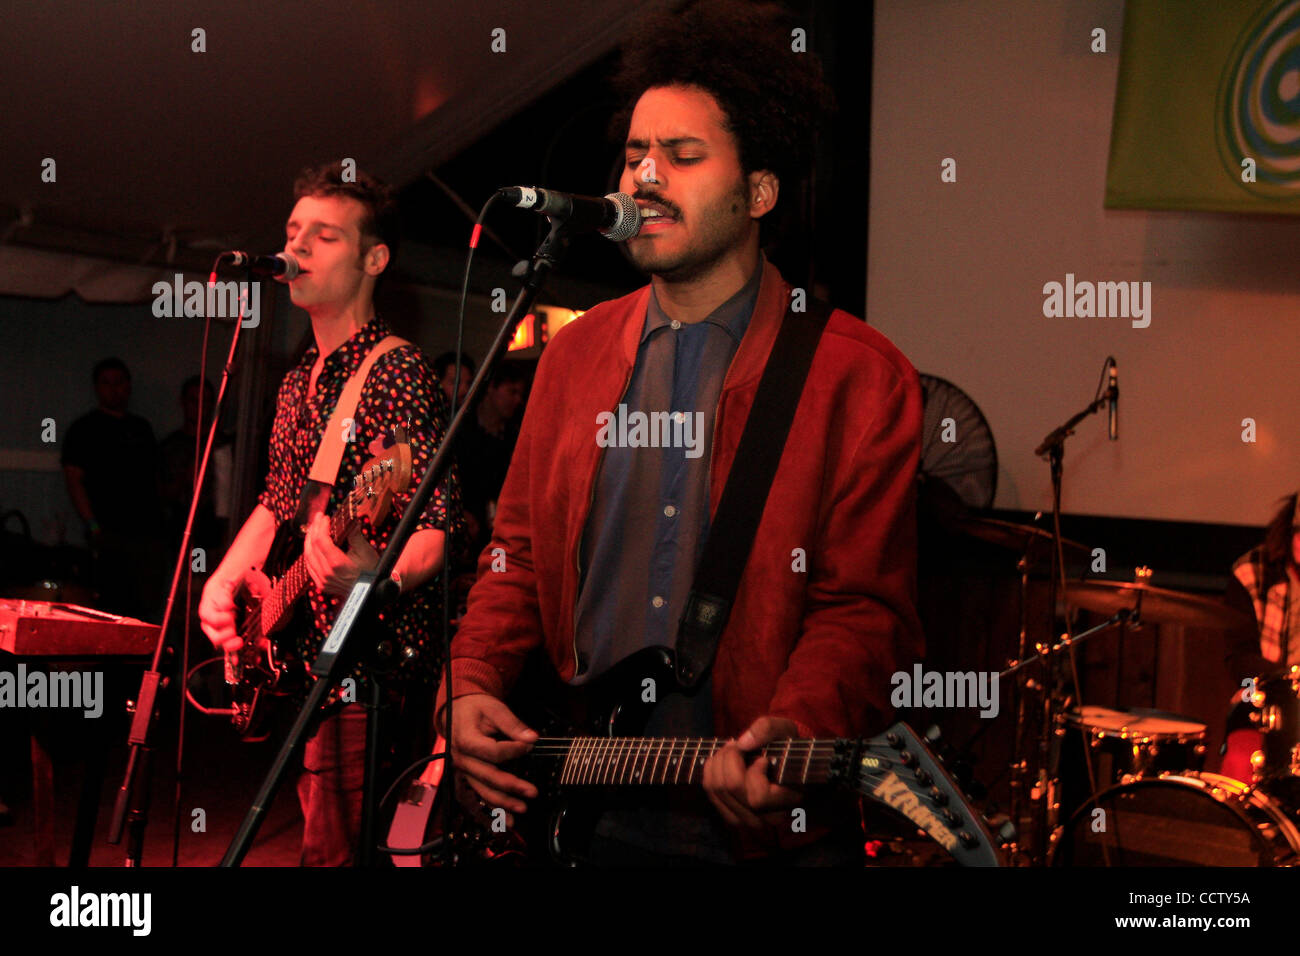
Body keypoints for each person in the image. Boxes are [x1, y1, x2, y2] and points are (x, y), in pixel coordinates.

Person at [439, 0, 923, 865]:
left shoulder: (855, 374)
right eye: (634, 155)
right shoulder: (573, 356)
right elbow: (516, 553)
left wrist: (797, 729)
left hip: (757, 830)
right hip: (577, 808)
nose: (643, 178)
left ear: (760, 192)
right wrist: (468, 685)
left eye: (683, 155)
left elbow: (861, 607)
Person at [198, 161, 460, 865]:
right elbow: (280, 504)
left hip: (372, 662)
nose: (297, 249)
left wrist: (378, 582)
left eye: (324, 236)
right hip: (305, 651)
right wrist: (225, 580)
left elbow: (434, 526)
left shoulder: (397, 372)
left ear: (375, 259)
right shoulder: (295, 382)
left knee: (337, 853)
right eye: (292, 234)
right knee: (325, 839)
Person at [61, 358, 165, 619]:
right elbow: (74, 479)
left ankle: (146, 659)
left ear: (128, 386)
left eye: (119, 382)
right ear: (97, 387)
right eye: (106, 383)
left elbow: (155, 479)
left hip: (147, 533)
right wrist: (93, 525)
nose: (114, 389)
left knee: (147, 609)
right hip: (109, 534)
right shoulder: (84, 429)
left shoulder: (142, 428)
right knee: (110, 607)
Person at [1222, 491, 1299, 781]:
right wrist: (1287, 681)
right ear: (1289, 530)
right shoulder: (1251, 571)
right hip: (1264, 700)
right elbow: (1239, 658)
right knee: (1241, 762)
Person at [456, 362, 525, 555]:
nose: (517, 400)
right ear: (491, 388)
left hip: (499, 534)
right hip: (465, 536)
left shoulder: (515, 437)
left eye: (520, 394)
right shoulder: (461, 431)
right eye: (512, 392)